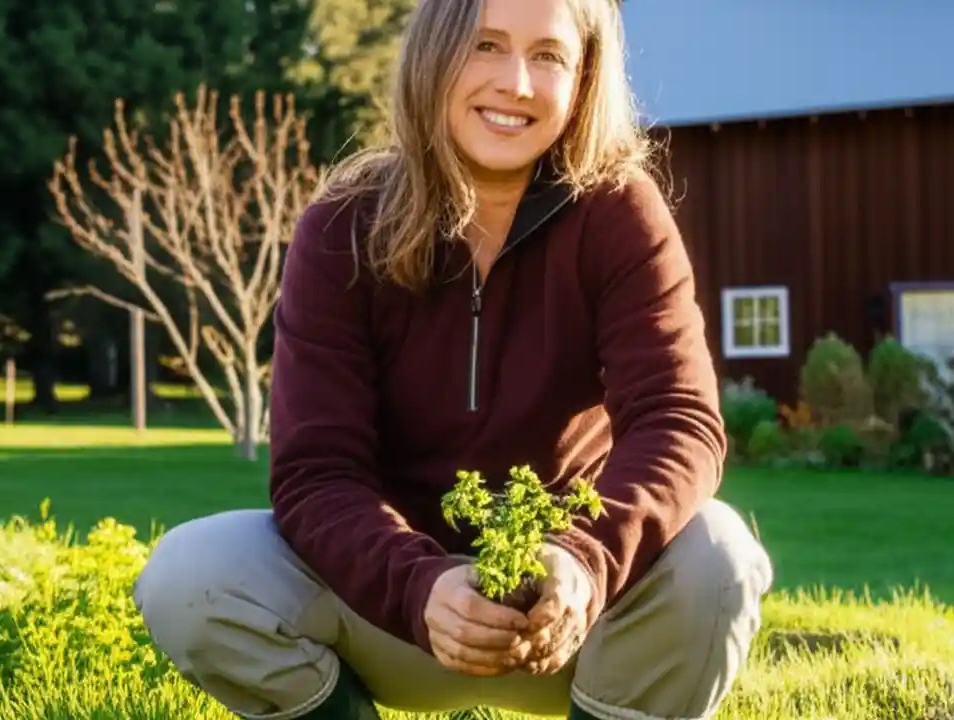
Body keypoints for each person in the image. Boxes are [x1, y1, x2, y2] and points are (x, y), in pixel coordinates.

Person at [132, 0, 773, 718]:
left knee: (719, 556)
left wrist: (583, 561)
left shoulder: (618, 213)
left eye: (549, 56)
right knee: (190, 576)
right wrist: (419, 586)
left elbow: (678, 422)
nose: (517, 83)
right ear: (432, 53)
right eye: (487, 45)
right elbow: (317, 471)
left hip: (573, 615)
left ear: (585, 75)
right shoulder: (343, 225)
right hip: (390, 612)